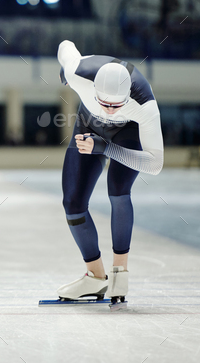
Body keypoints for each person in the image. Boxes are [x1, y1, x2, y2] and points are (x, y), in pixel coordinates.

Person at [56, 40, 164, 304]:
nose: (109, 110)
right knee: (72, 202)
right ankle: (95, 277)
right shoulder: (77, 73)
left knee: (118, 189)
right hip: (87, 123)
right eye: (104, 103)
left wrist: (106, 148)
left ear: (128, 97)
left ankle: (120, 274)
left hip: (127, 132)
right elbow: (65, 45)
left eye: (116, 106)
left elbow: (155, 164)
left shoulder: (146, 106)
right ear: (92, 89)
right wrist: (63, 69)